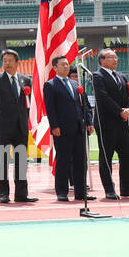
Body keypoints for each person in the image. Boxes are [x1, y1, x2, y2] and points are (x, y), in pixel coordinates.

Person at [0, 49, 36, 203]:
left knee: (21, 161)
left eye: (9, 60)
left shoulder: (25, 80)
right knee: (3, 160)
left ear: (17, 62)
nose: (7, 63)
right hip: (3, 126)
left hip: (21, 126)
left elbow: (29, 103)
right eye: (4, 60)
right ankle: (3, 193)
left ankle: (21, 194)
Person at [91, 48, 129, 200]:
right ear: (102, 60)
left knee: (128, 155)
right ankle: (109, 189)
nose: (115, 60)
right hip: (107, 123)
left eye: (116, 57)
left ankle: (126, 187)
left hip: (122, 123)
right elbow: (103, 97)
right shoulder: (97, 76)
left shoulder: (122, 76)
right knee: (106, 157)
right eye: (111, 57)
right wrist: (119, 110)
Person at [42, 55, 93, 202]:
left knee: (80, 161)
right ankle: (62, 192)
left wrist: (88, 121)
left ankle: (80, 192)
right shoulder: (50, 85)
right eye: (63, 64)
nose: (66, 67)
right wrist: (54, 126)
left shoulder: (75, 84)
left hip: (79, 128)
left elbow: (83, 105)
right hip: (62, 129)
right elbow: (50, 108)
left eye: (67, 64)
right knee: (63, 161)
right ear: (55, 67)